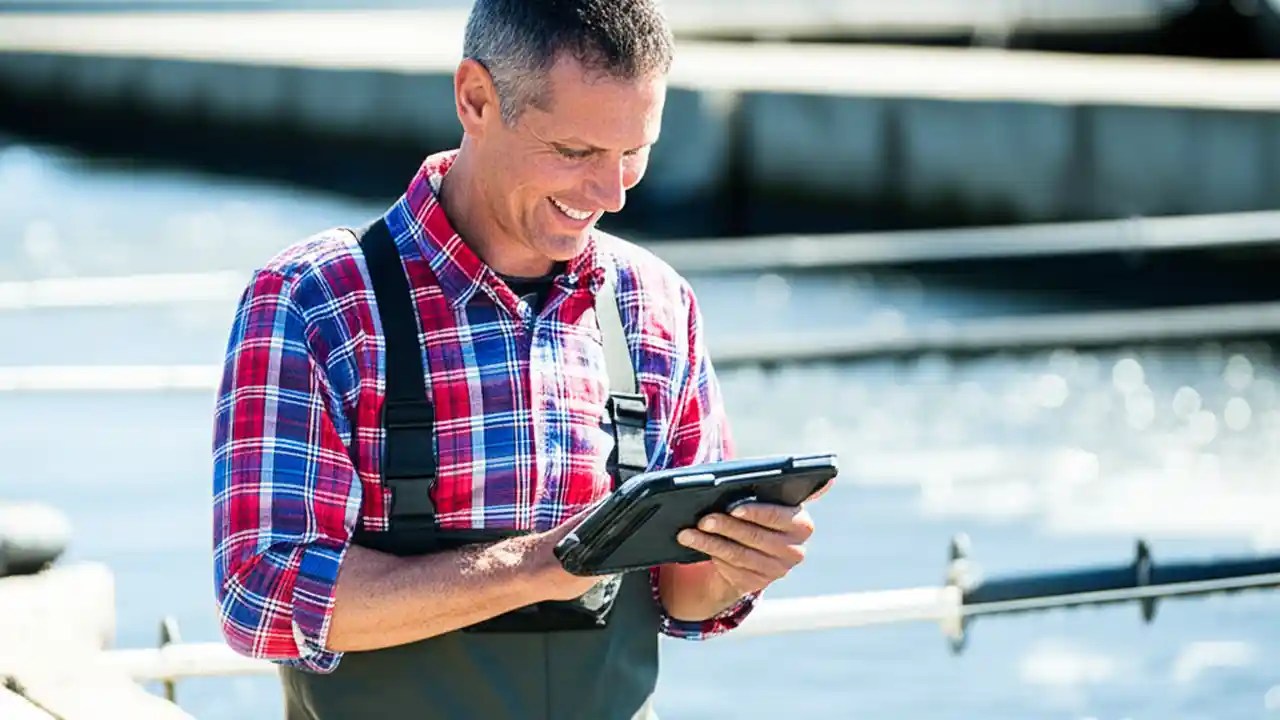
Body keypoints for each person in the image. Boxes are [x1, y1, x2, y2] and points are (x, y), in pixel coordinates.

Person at [212, 1, 822, 718]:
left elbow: (679, 596)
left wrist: (736, 565)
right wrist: (536, 566)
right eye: (575, 152)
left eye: (634, 152)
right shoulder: (315, 302)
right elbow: (261, 593)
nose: (613, 193)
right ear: (475, 98)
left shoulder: (656, 303)